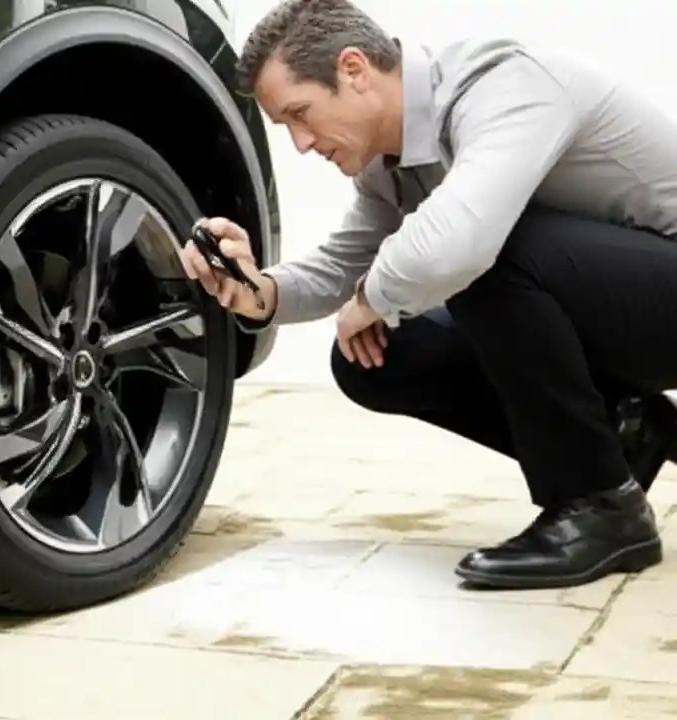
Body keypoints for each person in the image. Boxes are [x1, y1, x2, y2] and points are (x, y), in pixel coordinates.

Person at [181, 0, 677, 589]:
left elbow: (461, 242)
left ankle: (600, 507)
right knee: (374, 358)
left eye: (300, 115)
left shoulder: (505, 86)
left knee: (479, 253)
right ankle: (624, 428)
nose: (302, 144)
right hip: (628, 311)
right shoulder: (387, 163)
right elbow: (348, 260)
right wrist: (257, 291)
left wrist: (370, 298)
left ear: (354, 69)